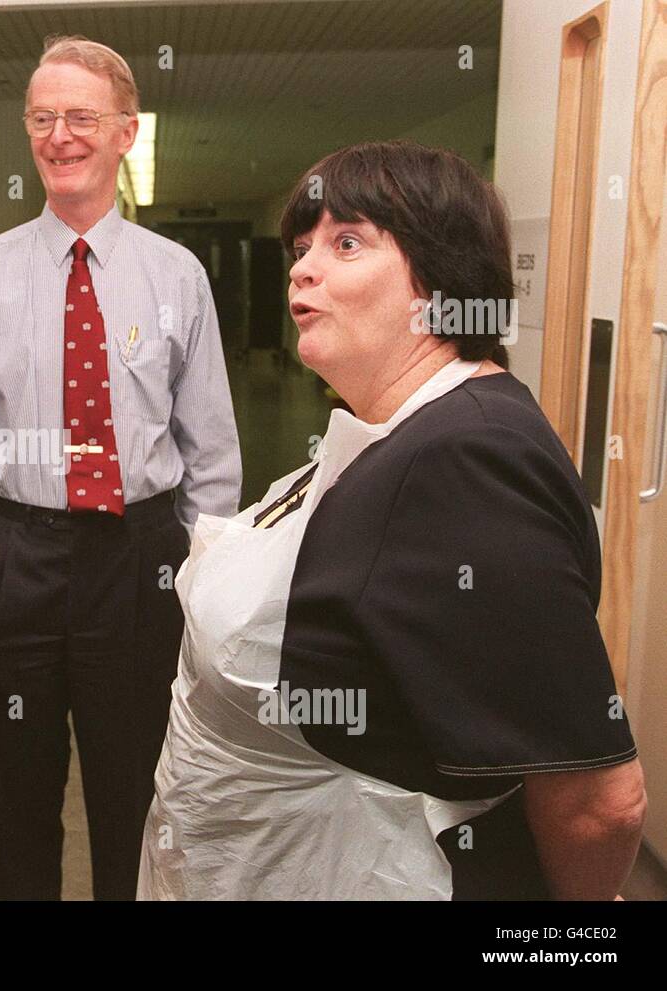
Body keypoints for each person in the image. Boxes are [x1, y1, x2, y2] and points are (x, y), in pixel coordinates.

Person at [139, 140, 646, 900]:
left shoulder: (470, 457)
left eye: (347, 242)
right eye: (303, 246)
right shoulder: (392, 426)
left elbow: (601, 803)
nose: (302, 267)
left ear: (441, 277)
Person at [0, 35, 241, 901]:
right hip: (12, 560)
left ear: (127, 131)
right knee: (15, 805)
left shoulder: (177, 277)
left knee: (134, 803)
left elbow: (211, 448)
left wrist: (195, 575)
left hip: (138, 565)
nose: (60, 136)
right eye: (43, 118)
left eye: (82, 117)